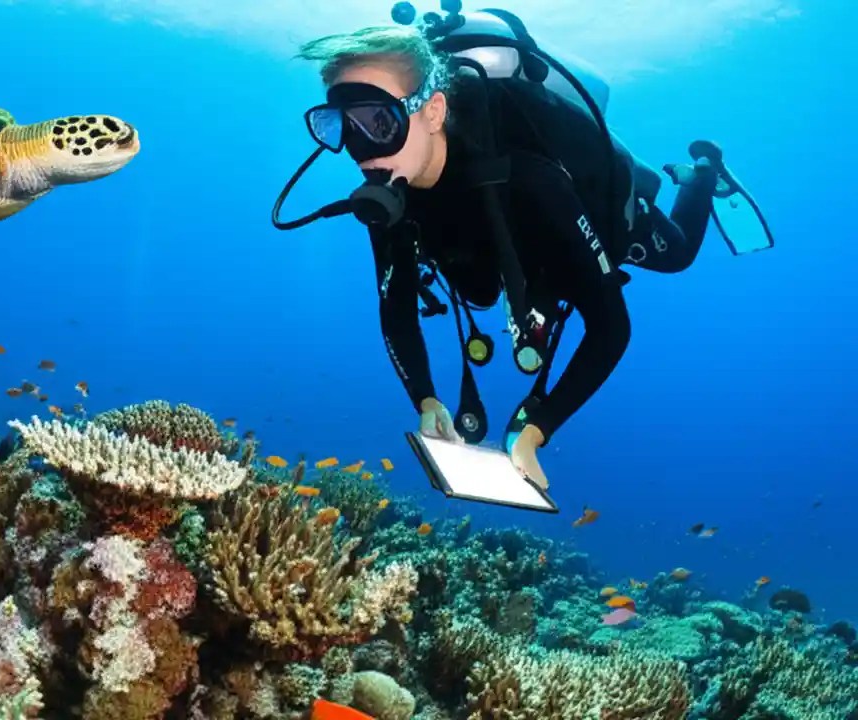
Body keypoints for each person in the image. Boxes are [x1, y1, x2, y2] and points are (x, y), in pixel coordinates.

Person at [287, 24, 748, 490]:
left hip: (593, 219)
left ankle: (702, 174)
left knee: (678, 255)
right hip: (503, 250)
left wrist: (537, 431)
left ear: (433, 111)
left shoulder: (530, 179)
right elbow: (397, 312)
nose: (360, 150)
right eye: (340, 126)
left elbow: (612, 328)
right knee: (486, 287)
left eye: (379, 122)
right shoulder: (390, 198)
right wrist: (426, 400)